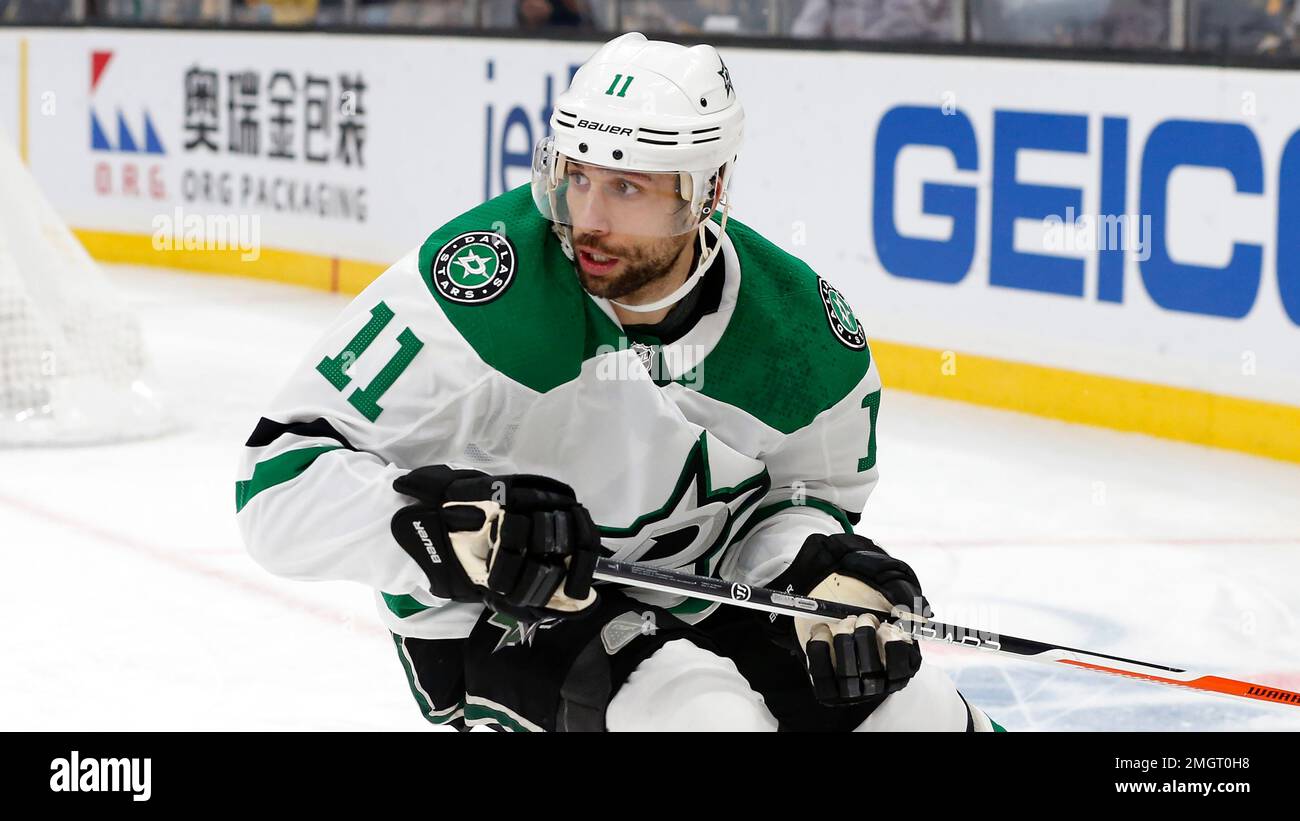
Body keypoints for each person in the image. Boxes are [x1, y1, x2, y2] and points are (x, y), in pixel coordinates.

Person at [235, 31, 1000, 732]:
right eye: (578, 177)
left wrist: (817, 573)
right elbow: (275, 488)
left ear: (708, 189)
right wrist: (451, 535)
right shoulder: (478, 298)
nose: (588, 219)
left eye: (628, 189)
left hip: (697, 593)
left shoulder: (802, 339)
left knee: (916, 714)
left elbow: (804, 499)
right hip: (499, 618)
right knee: (705, 719)